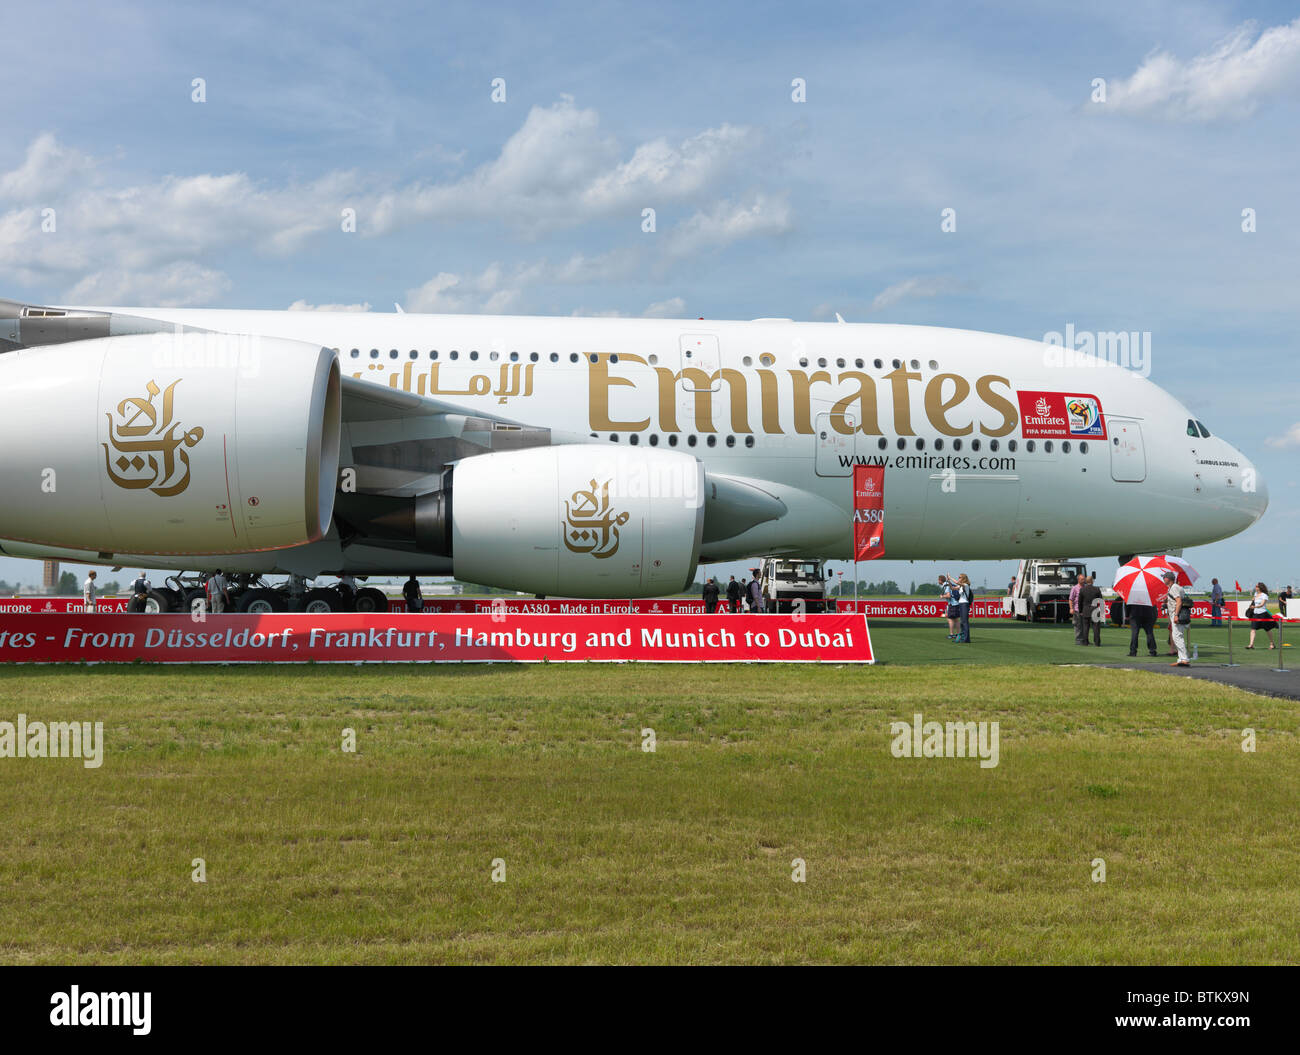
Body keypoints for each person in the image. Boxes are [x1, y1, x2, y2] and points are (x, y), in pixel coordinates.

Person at [1164, 571, 1191, 666]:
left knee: (1177, 637)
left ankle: (1184, 658)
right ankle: (1181, 659)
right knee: (1178, 636)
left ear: (1168, 579)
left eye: (1165, 577)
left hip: (1177, 615)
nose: (1163, 579)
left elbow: (1178, 602)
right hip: (1178, 614)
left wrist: (1175, 615)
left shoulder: (1174, 587)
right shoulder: (1174, 587)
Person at [1247, 583, 1277, 649]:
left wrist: (1254, 606)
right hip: (1255, 614)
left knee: (1267, 629)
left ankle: (1272, 643)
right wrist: (1253, 601)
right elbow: (1254, 601)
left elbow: (1262, 604)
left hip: (1263, 614)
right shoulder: (1255, 594)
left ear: (1260, 587)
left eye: (1257, 586)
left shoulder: (1264, 595)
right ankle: (1251, 644)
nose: (1255, 587)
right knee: (1253, 629)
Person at [1078, 575, 1103, 646]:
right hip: (1095, 609)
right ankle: (1097, 642)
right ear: (1092, 581)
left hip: (1085, 610)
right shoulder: (1097, 589)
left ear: (1086, 581)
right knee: (1096, 628)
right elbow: (1101, 601)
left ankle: (1085, 642)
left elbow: (1079, 602)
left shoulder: (1082, 590)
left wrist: (1080, 611)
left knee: (1086, 627)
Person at [953, 573, 973, 643]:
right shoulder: (960, 586)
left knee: (965, 622)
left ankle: (966, 639)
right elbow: (953, 588)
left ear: (964, 578)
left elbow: (957, 582)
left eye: (960, 577)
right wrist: (948, 582)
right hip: (961, 603)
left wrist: (950, 578)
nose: (959, 578)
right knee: (962, 622)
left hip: (965, 604)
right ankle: (963, 637)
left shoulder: (966, 585)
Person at [1069, 572, 1087, 645]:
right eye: (1082, 579)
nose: (1084, 580)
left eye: (1084, 579)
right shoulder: (1074, 588)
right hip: (1077, 609)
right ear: (1078, 580)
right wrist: (1071, 608)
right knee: (1078, 625)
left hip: (1085, 609)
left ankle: (1085, 640)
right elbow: (1071, 599)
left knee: (1085, 625)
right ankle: (1079, 640)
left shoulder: (1086, 587)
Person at [939, 575, 958, 639]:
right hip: (956, 603)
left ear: (940, 580)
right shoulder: (948, 584)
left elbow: (948, 595)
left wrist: (942, 596)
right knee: (956, 620)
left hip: (952, 604)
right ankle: (958, 634)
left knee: (950, 619)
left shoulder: (945, 585)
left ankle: (952, 634)